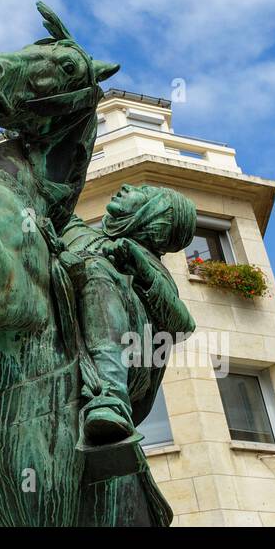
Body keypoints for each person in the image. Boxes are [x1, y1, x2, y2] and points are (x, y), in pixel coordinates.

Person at [59, 184, 197, 444]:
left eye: (143, 191)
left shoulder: (153, 268)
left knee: (95, 268)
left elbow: (183, 325)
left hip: (128, 366)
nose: (126, 187)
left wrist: (141, 269)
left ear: (153, 215)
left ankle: (110, 399)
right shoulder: (79, 233)